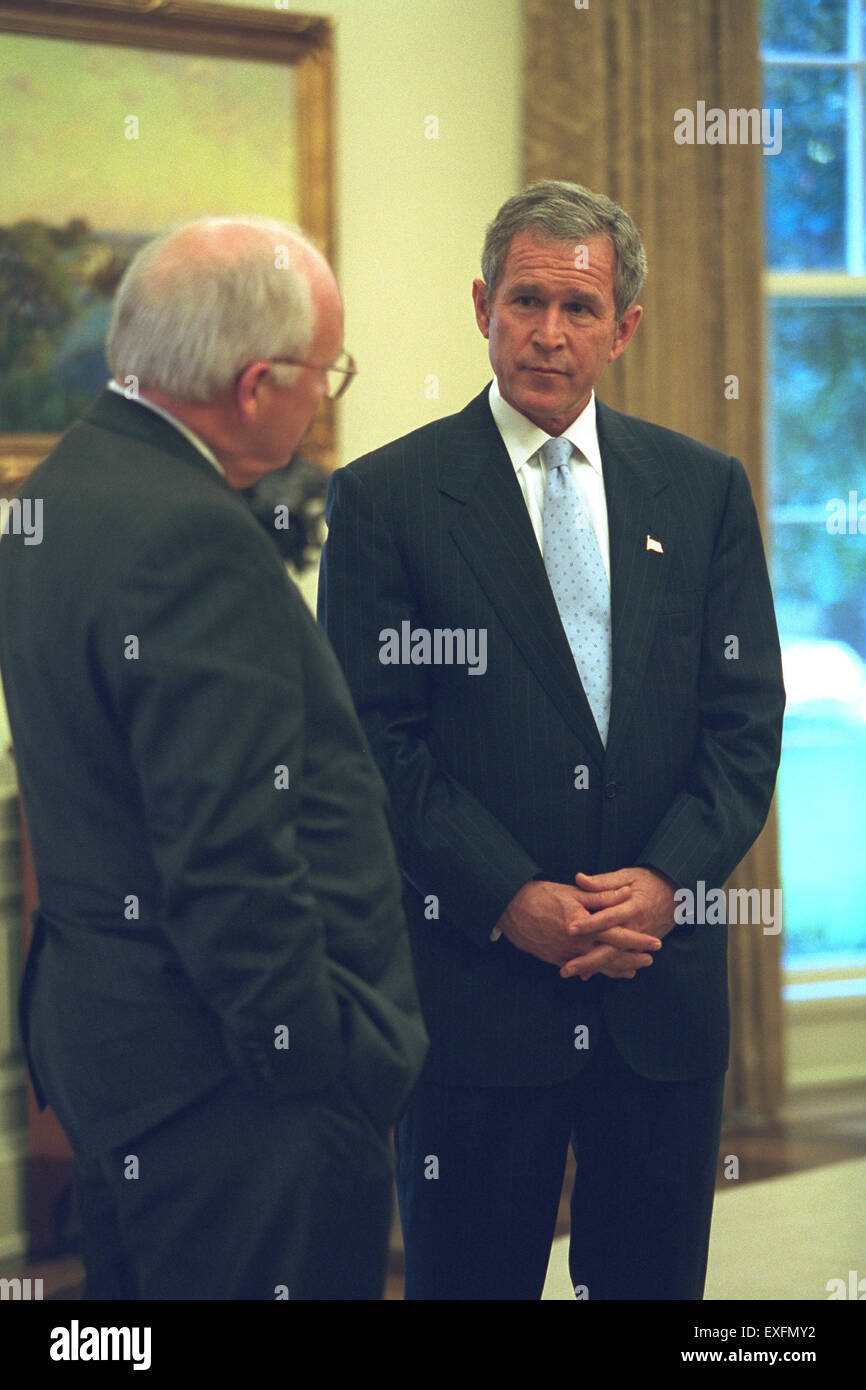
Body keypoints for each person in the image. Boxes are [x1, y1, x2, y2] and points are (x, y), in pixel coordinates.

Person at [318, 181, 785, 1300]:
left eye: (578, 310)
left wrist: (668, 879)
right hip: (477, 998)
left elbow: (741, 726)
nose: (546, 333)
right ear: (480, 304)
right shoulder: (387, 501)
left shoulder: (704, 489)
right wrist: (508, 895)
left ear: (621, 328)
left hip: (655, 991)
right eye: (524, 300)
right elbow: (376, 746)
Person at [0, 216, 427, 1300]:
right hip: (233, 1095)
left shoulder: (52, 496)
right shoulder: (191, 537)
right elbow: (230, 853)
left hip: (113, 1056)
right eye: (326, 373)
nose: (325, 401)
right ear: (256, 382)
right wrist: (319, 1065)